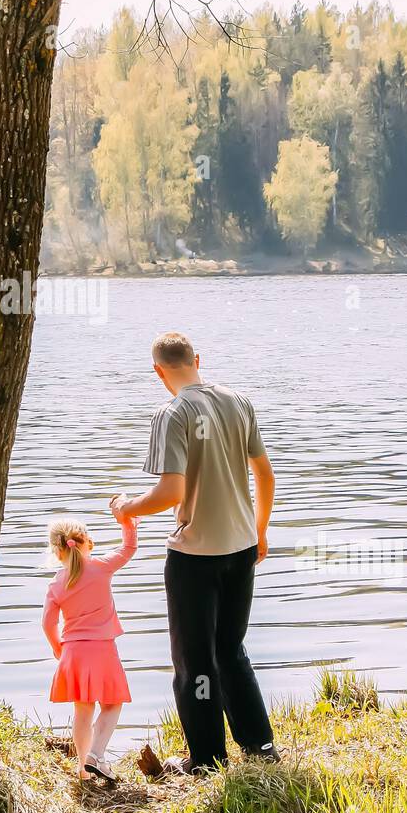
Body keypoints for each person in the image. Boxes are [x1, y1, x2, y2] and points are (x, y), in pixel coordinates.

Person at [111, 331, 279, 774]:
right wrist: (259, 529)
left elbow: (171, 491)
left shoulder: (173, 413)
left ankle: (205, 761)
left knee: (193, 661)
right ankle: (260, 746)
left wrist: (126, 507)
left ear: (158, 371)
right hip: (242, 547)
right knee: (231, 649)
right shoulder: (238, 401)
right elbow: (265, 475)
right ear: (197, 360)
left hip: (195, 556)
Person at [42, 509, 137, 782]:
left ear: (57, 551)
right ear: (89, 544)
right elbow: (129, 548)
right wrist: (127, 522)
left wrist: (59, 649)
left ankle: (84, 769)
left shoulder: (56, 583)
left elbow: (48, 624)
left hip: (72, 651)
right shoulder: (101, 566)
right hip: (103, 649)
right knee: (112, 703)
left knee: (83, 709)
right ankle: (97, 753)